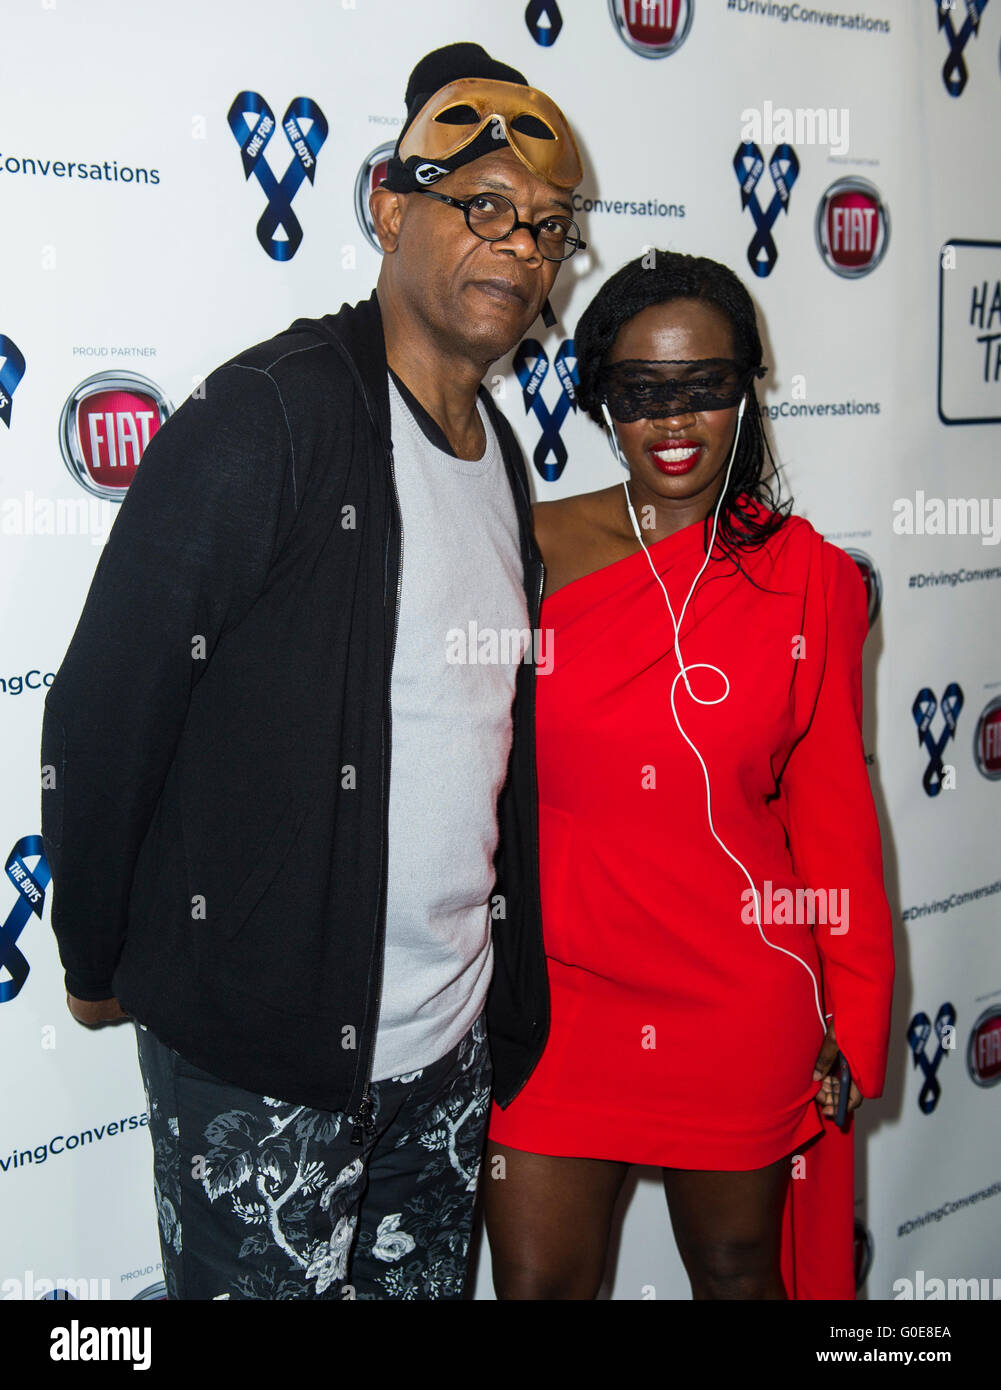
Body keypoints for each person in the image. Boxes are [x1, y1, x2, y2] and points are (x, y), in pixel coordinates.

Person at [39, 41, 586, 1300]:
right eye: (482, 206)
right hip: (262, 1057)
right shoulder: (268, 417)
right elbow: (108, 702)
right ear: (391, 206)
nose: (518, 246)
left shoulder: (501, 453)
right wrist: (94, 953)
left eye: (546, 226)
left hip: (444, 1057)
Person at [484, 250, 895, 1301]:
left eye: (705, 387)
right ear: (600, 405)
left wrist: (851, 1004)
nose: (675, 421)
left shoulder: (807, 576)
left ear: (745, 391)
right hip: (554, 1000)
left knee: (734, 1272)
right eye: (641, 393)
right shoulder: (521, 547)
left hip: (734, 996)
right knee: (536, 1285)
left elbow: (831, 809)